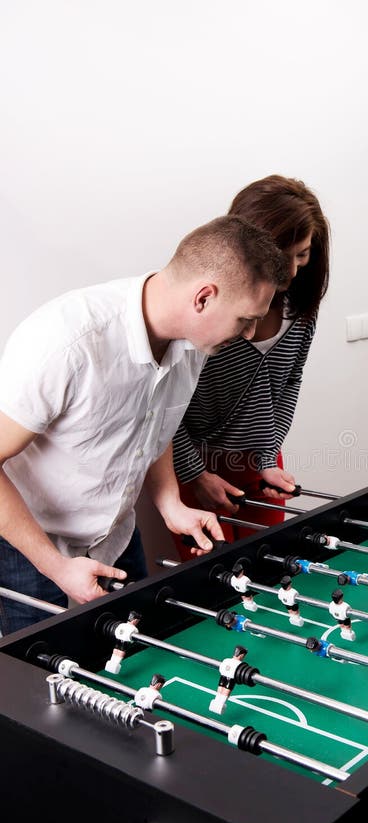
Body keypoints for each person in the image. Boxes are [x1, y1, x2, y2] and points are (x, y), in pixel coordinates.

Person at [0, 216, 287, 635]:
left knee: (136, 657)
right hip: (31, 546)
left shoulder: (196, 342)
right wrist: (57, 567)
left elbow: (155, 422)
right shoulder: (67, 342)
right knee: (41, 673)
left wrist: (170, 504)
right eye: (245, 319)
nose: (249, 333)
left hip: (116, 535)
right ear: (203, 298)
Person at [172, 175, 330, 549]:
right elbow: (164, 405)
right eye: (282, 254)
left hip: (262, 463)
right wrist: (195, 474)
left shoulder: (301, 311)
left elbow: (291, 381)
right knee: (211, 575)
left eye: (302, 254)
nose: (292, 270)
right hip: (195, 464)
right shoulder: (205, 310)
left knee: (272, 566)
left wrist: (267, 458)